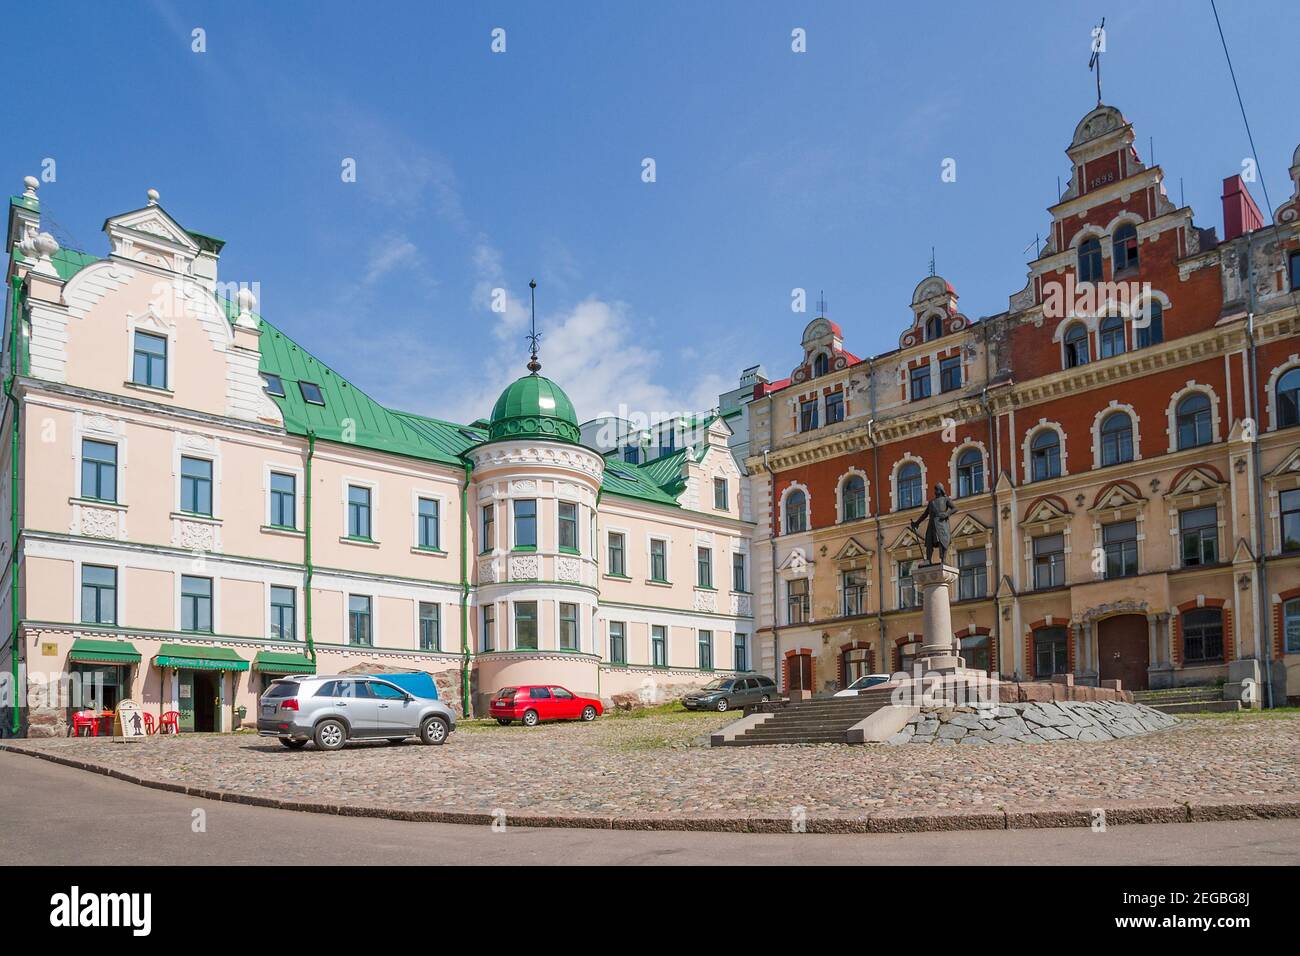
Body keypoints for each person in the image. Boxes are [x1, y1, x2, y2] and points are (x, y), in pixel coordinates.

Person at [909, 483, 957, 564]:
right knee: (929, 542)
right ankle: (928, 560)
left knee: (943, 541)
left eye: (937, 489)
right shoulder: (931, 503)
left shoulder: (946, 500)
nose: (935, 491)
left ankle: (943, 560)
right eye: (935, 489)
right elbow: (925, 514)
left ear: (941, 490)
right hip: (931, 525)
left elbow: (955, 508)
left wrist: (946, 514)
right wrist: (916, 523)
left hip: (941, 524)